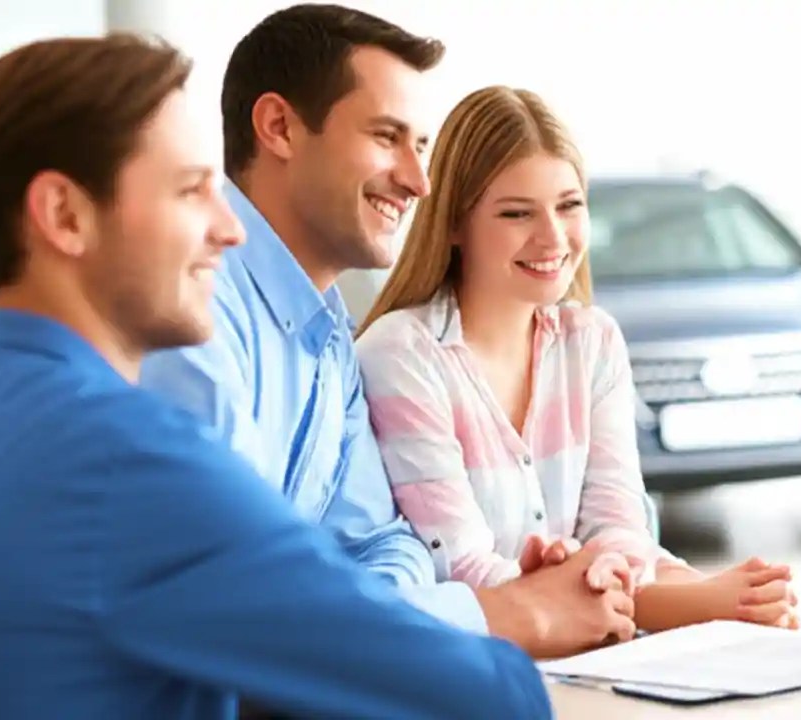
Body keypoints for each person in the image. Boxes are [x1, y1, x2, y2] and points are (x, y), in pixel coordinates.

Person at [0, 34, 552, 720]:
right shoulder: (125, 456)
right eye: (193, 191)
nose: (230, 229)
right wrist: (529, 620)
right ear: (65, 216)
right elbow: (479, 695)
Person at [139, 4, 635, 658]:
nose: (420, 181)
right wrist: (505, 613)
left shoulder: (328, 341)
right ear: (280, 127)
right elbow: (239, 597)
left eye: (421, 146)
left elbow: (381, 544)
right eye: (386, 137)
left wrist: (418, 613)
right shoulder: (192, 311)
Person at [355, 85, 800, 633]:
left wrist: (709, 594)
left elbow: (619, 530)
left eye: (569, 206)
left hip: (593, 648)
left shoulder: (591, 342)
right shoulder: (401, 354)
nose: (552, 238)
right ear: (452, 224)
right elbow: (463, 575)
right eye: (517, 213)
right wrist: (702, 602)